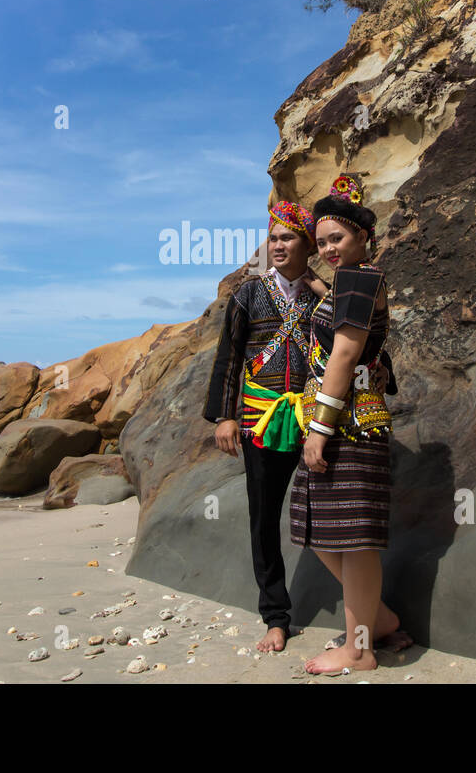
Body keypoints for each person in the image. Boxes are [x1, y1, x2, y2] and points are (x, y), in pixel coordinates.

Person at [291, 173, 405, 674]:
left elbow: (345, 351)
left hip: (348, 425)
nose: (328, 248)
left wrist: (320, 427)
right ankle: (376, 620)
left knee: (352, 541)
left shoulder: (360, 279)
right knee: (322, 530)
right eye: (321, 242)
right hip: (344, 419)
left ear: (363, 236)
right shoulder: (352, 281)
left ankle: (359, 651)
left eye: (337, 238)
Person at [204, 200, 323, 653]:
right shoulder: (247, 295)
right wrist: (225, 415)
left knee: (327, 511)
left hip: (314, 421)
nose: (277, 244)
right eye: (273, 237)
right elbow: (228, 358)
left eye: (287, 237)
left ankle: (357, 610)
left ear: (306, 246)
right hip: (260, 422)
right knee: (263, 519)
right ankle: (276, 616)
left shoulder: (319, 297)